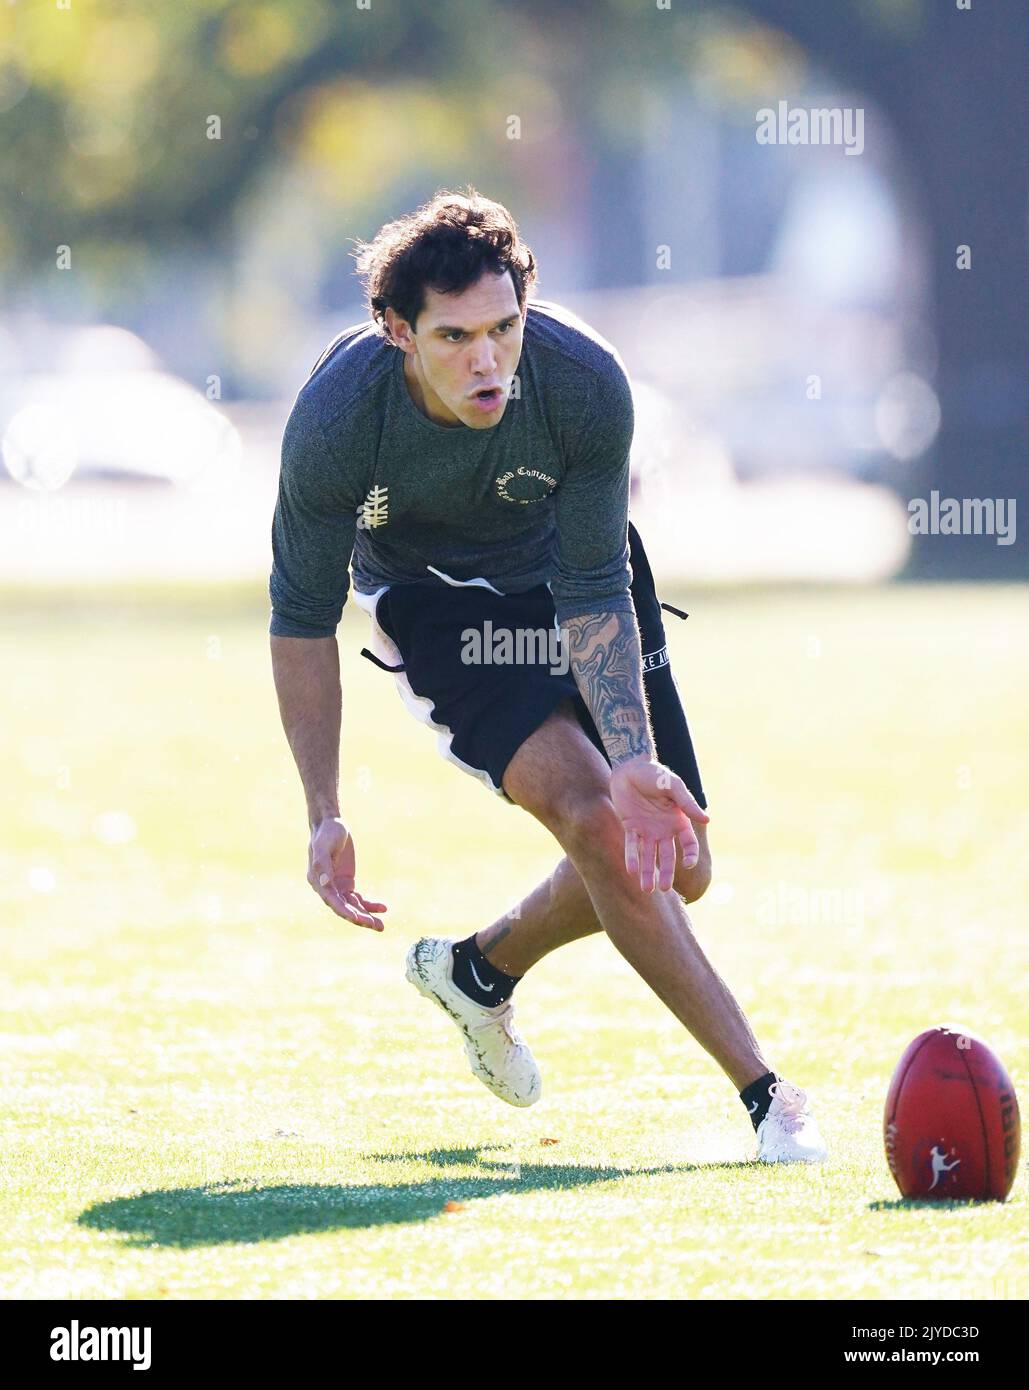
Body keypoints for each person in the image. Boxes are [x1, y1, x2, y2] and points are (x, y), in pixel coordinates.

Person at [268, 188, 826, 1163]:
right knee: (599, 820)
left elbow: (594, 582)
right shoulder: (337, 421)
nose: (486, 361)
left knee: (677, 862)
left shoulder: (582, 384)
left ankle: (480, 971)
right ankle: (768, 1096)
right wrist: (323, 808)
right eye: (453, 337)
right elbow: (303, 620)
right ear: (398, 331)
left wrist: (639, 759)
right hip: (438, 605)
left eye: (503, 328)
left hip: (581, 578)